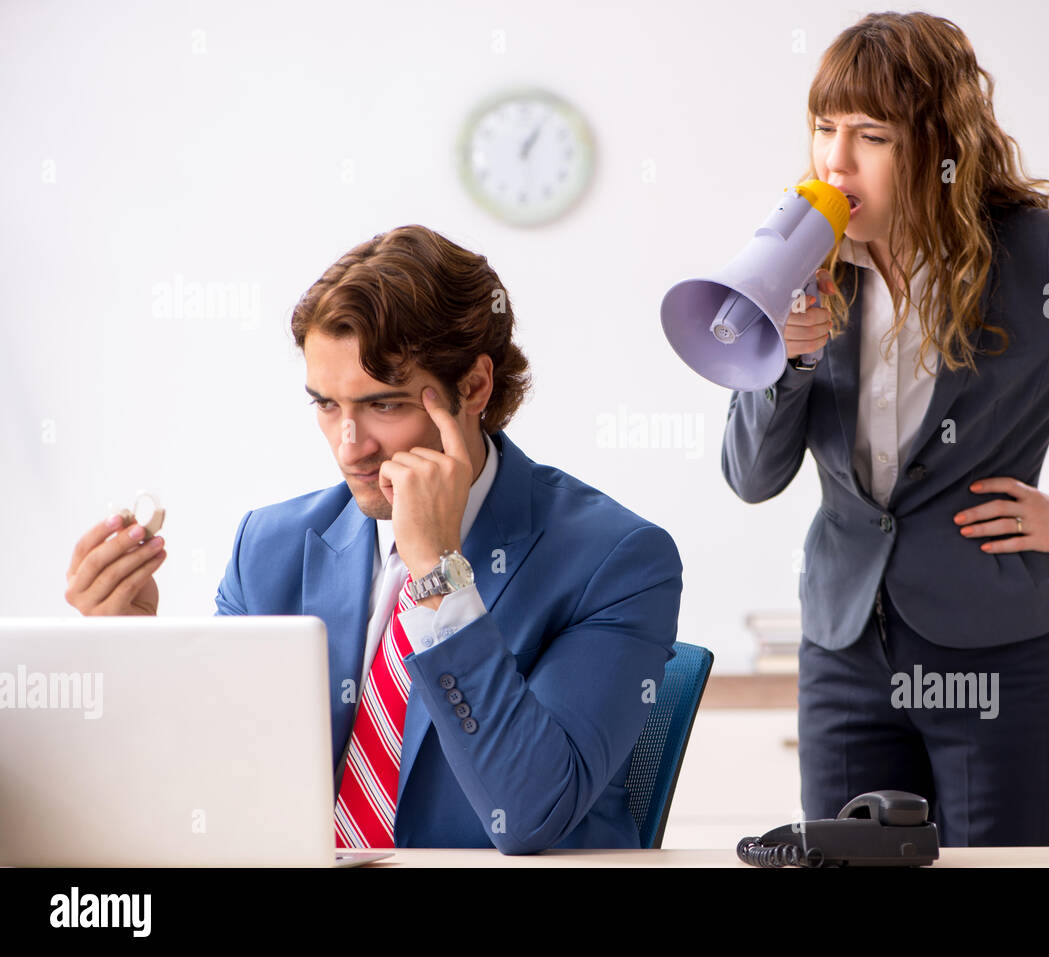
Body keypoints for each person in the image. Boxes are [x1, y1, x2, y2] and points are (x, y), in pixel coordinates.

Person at [721, 12, 1049, 845]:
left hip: (999, 660)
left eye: (871, 135)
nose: (834, 160)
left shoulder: (1040, 258)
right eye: (825, 128)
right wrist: (784, 358)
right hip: (842, 654)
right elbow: (752, 478)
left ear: (939, 141)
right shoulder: (803, 253)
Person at [64, 225, 684, 854]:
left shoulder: (617, 560)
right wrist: (133, 655)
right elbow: (211, 792)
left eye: (383, 406)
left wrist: (438, 576)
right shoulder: (270, 548)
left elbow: (530, 814)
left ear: (472, 387)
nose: (349, 446)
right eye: (326, 405)